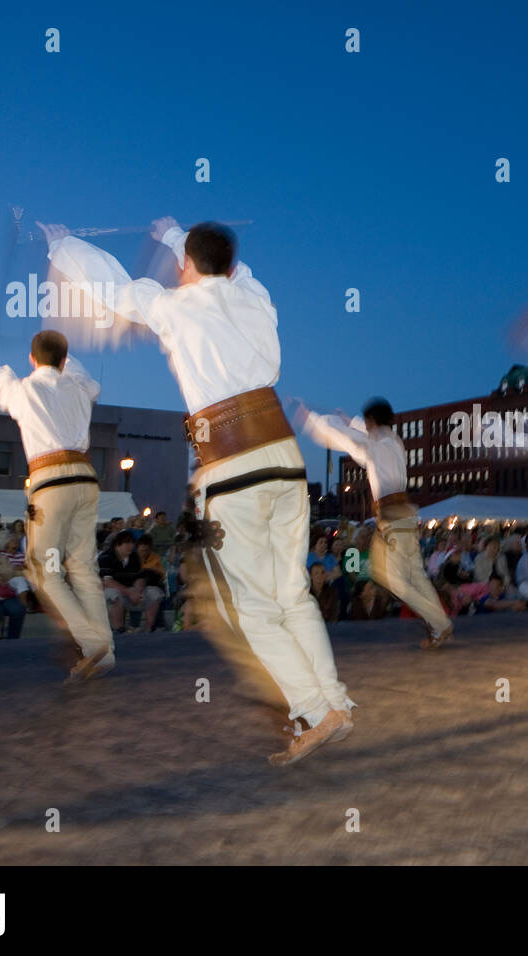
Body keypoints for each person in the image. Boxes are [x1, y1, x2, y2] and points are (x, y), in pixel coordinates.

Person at [44, 216, 352, 764]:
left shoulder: (172, 306)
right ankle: (336, 704)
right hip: (284, 462)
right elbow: (232, 271)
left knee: (254, 609)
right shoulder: (255, 295)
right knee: (293, 595)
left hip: (232, 467)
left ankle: (311, 708)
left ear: (186, 265)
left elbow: (112, 288)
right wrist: (176, 238)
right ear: (231, 265)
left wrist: (63, 243)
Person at [0, 332, 116, 680]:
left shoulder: (24, 391)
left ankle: (91, 644)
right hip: (86, 481)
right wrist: (64, 356)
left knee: (43, 570)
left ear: (32, 360)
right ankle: (104, 650)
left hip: (51, 482)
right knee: (84, 568)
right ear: (64, 360)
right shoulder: (78, 387)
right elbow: (86, 379)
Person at [299, 397, 454, 649]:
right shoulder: (393, 442)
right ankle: (439, 624)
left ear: (371, 421)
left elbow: (348, 441)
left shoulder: (377, 444)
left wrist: (315, 422)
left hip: (392, 519)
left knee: (390, 578)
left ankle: (439, 622)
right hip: (405, 517)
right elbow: (361, 442)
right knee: (416, 574)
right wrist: (352, 423)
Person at [99, 531, 163, 633]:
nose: (131, 546)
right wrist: (129, 592)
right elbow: (107, 582)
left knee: (155, 592)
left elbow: (140, 577)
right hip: (110, 593)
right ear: (118, 544)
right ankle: (119, 630)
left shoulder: (134, 557)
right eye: (127, 543)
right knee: (113, 594)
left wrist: (138, 591)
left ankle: (148, 629)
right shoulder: (105, 557)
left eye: (132, 543)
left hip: (131, 592)